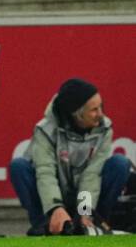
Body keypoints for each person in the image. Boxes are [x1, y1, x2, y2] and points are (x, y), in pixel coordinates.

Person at [11, 79, 132, 235]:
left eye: (101, 107)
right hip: (54, 194)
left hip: (87, 197)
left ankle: (92, 224)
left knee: (119, 164)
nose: (100, 114)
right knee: (19, 167)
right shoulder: (45, 130)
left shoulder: (104, 128)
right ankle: (45, 226)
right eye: (94, 110)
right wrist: (56, 208)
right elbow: (45, 172)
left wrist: (85, 211)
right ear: (77, 115)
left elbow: (92, 175)